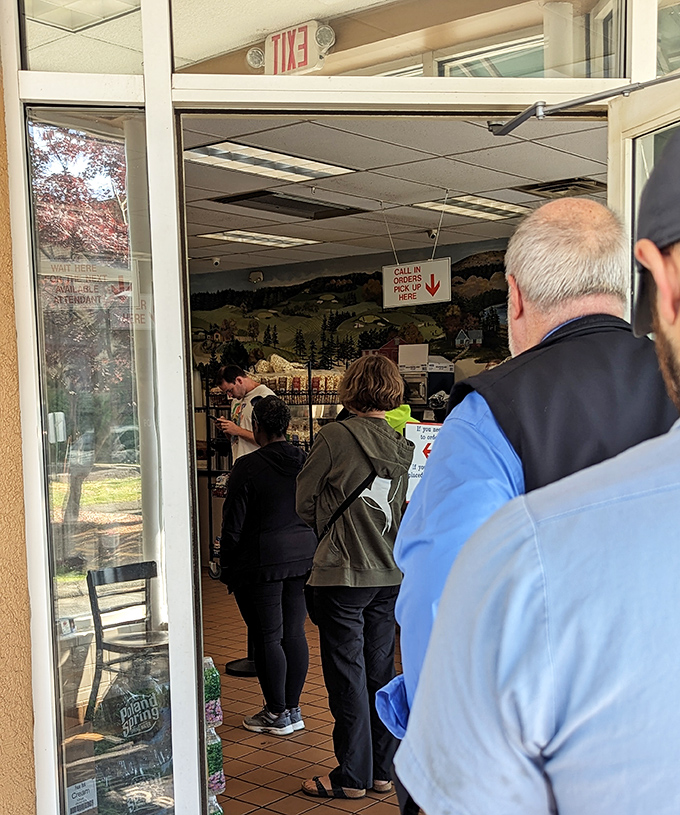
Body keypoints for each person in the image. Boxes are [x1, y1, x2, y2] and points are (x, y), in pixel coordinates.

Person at [395, 128, 680, 815]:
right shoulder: (665, 387)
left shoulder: (486, 415)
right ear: (629, 283)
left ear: (515, 299)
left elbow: (440, 610)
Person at [296, 355, 414, 800]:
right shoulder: (401, 443)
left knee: (346, 676)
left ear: (350, 388)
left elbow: (304, 504)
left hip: (342, 575)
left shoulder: (333, 437)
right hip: (390, 574)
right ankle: (383, 771)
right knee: (382, 673)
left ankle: (351, 777)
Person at [219, 395, 317, 736]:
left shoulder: (248, 468)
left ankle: (275, 712)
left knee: (267, 637)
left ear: (256, 427)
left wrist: (225, 564)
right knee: (294, 632)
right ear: (286, 426)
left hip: (261, 561)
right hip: (303, 555)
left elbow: (233, 524)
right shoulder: (305, 460)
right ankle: (293, 709)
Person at [215, 364, 274, 460]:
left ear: (239, 380)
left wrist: (237, 430)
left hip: (258, 465)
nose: (230, 395)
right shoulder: (236, 400)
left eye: (230, 390)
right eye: (226, 393)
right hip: (240, 464)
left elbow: (270, 440)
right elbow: (236, 440)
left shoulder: (265, 397)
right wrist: (226, 428)